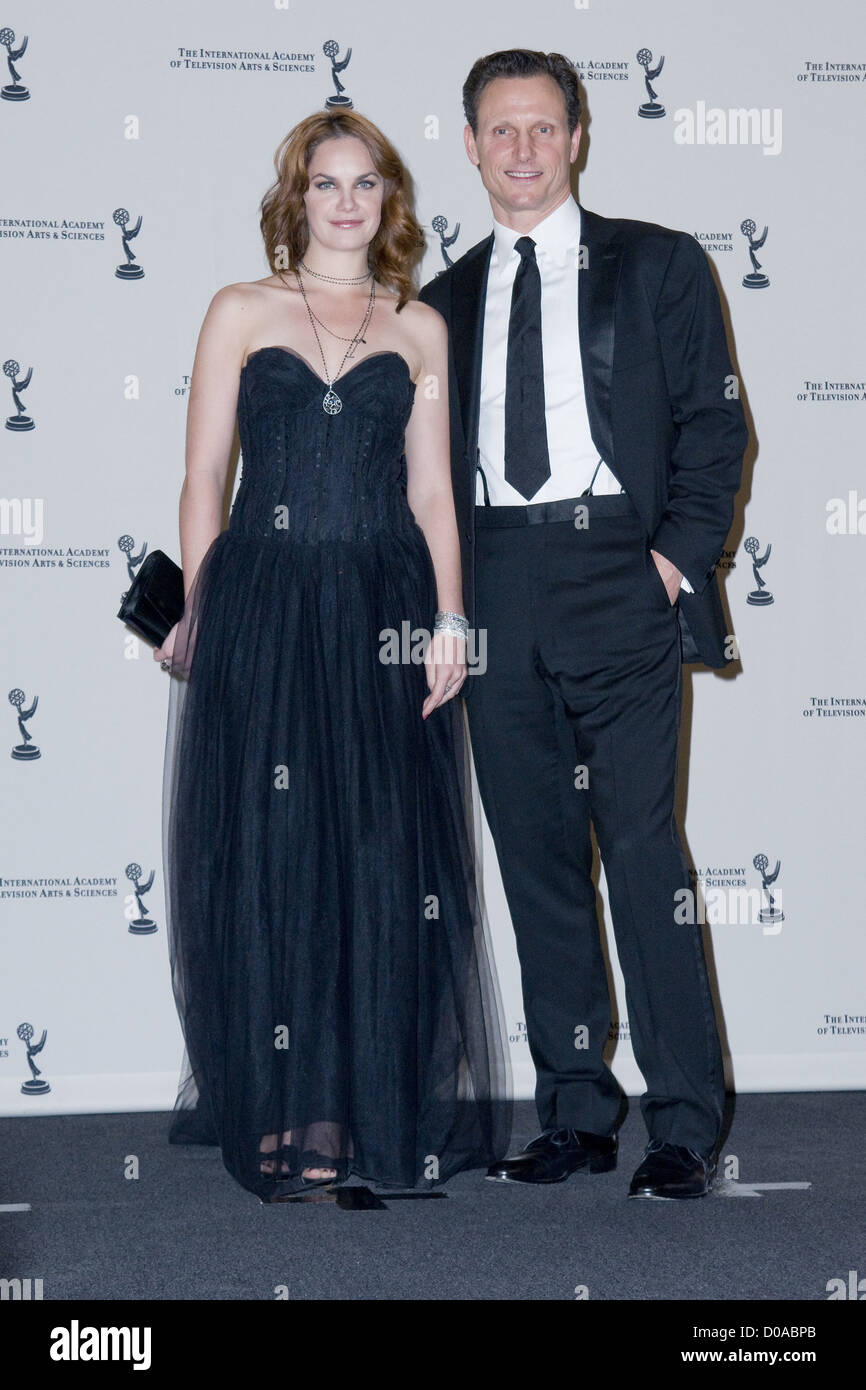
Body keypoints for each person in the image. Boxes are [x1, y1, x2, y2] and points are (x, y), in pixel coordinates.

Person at [154, 109, 510, 1202]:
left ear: (389, 201)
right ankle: (280, 1115)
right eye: (324, 184)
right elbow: (203, 476)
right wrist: (203, 607)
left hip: (382, 611)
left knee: (377, 865)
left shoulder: (417, 329)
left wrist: (449, 618)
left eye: (364, 184)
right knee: (275, 859)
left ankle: (359, 1113)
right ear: (293, 200)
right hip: (263, 605)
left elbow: (433, 492)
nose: (345, 202)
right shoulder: (239, 310)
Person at [419, 49, 749, 1199]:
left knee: (645, 853)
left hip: (618, 568)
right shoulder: (441, 302)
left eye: (541, 128)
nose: (520, 149)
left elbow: (714, 431)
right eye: (498, 130)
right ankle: (573, 1106)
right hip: (496, 579)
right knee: (536, 858)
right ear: (469, 144)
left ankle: (683, 1120)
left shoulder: (655, 265)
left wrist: (668, 561)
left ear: (576, 137)